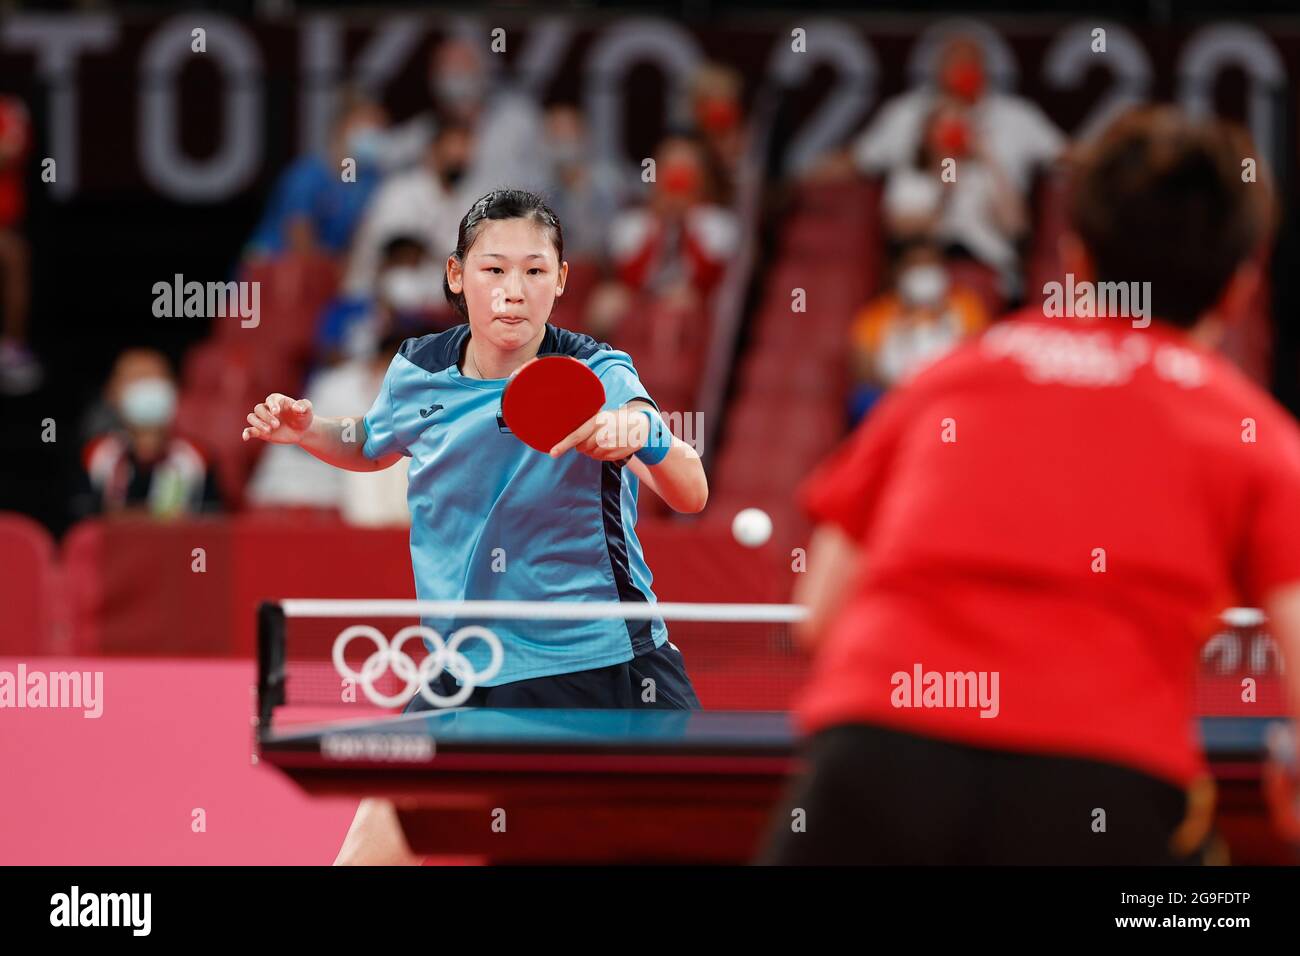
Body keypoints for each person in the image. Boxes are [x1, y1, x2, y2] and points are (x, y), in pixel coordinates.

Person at [761, 107, 1300, 864]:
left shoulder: (947, 380)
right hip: (1100, 788)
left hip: (871, 770)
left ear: (1074, 262)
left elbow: (818, 613)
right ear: (1240, 289)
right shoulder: (1254, 431)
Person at [240, 189, 707, 864]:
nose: (513, 291)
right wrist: (308, 429)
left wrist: (644, 437)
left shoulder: (600, 372)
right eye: (494, 270)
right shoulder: (419, 370)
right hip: (468, 669)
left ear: (562, 279)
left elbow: (689, 491)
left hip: (604, 670)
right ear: (457, 276)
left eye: (535, 271)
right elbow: (372, 441)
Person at [854, 33, 1064, 196]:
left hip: (992, 238)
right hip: (923, 234)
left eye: (970, 62)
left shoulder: (1017, 115)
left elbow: (1062, 155)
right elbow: (859, 160)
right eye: (954, 61)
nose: (963, 69)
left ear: (984, 69)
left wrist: (983, 154)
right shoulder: (906, 114)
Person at [848, 242, 988, 423]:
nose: (924, 272)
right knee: (864, 399)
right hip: (893, 393)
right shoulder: (876, 315)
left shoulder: (966, 306)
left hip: (950, 389)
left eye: (931, 264)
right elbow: (864, 372)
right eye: (916, 265)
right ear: (900, 272)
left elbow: (978, 358)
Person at [76, 349, 222, 518]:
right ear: (111, 392)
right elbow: (83, 527)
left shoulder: (198, 458)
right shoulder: (94, 456)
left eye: (156, 378)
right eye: (137, 379)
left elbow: (213, 526)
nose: (148, 387)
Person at [245, 91, 387, 259]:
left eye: (381, 127)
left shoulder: (370, 180)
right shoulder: (306, 176)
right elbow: (300, 240)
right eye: (370, 125)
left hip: (332, 274)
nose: (377, 133)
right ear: (343, 126)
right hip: (276, 272)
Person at [0, 92, 37, 394]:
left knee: (15, 259)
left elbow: (10, 149)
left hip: (7, 227)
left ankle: (12, 348)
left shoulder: (11, 109)